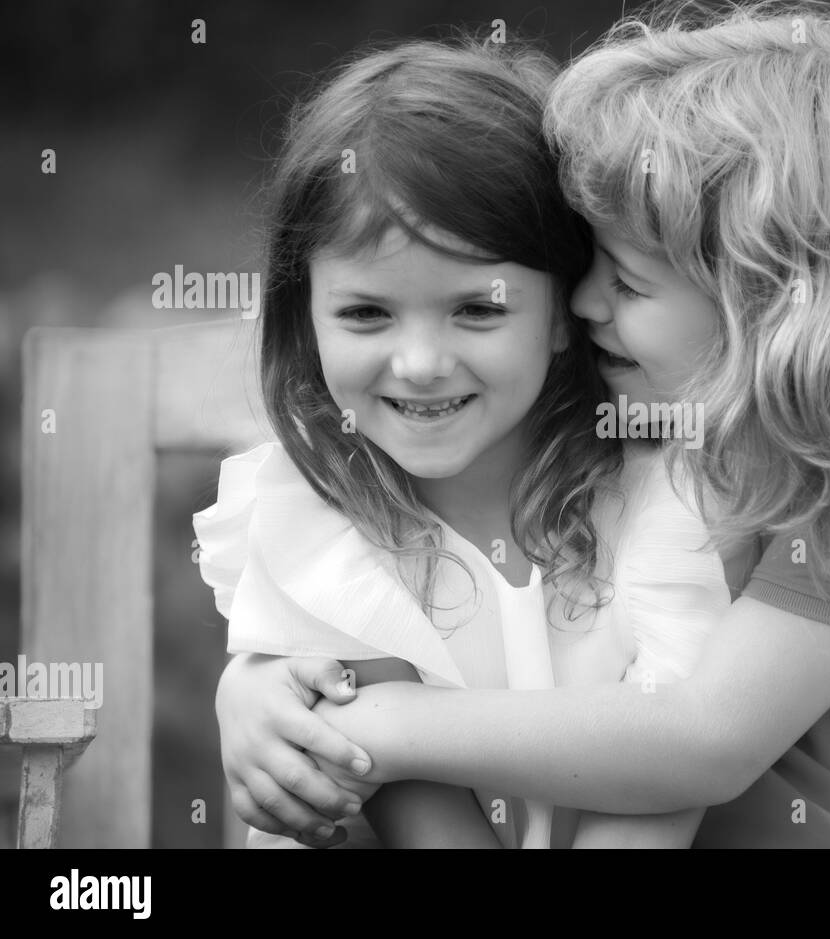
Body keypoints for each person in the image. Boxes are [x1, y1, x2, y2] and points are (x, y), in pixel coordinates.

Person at [217, 1, 830, 848]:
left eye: (628, 283)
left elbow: (699, 738)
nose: (586, 301)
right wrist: (259, 683)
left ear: (777, 310)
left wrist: (376, 722)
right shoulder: (703, 461)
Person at [195, 36, 733, 848]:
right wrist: (246, 682)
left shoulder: (663, 498)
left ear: (565, 309)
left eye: (477, 310)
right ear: (304, 317)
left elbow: (659, 787)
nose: (419, 364)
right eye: (366, 313)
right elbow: (425, 825)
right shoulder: (311, 519)